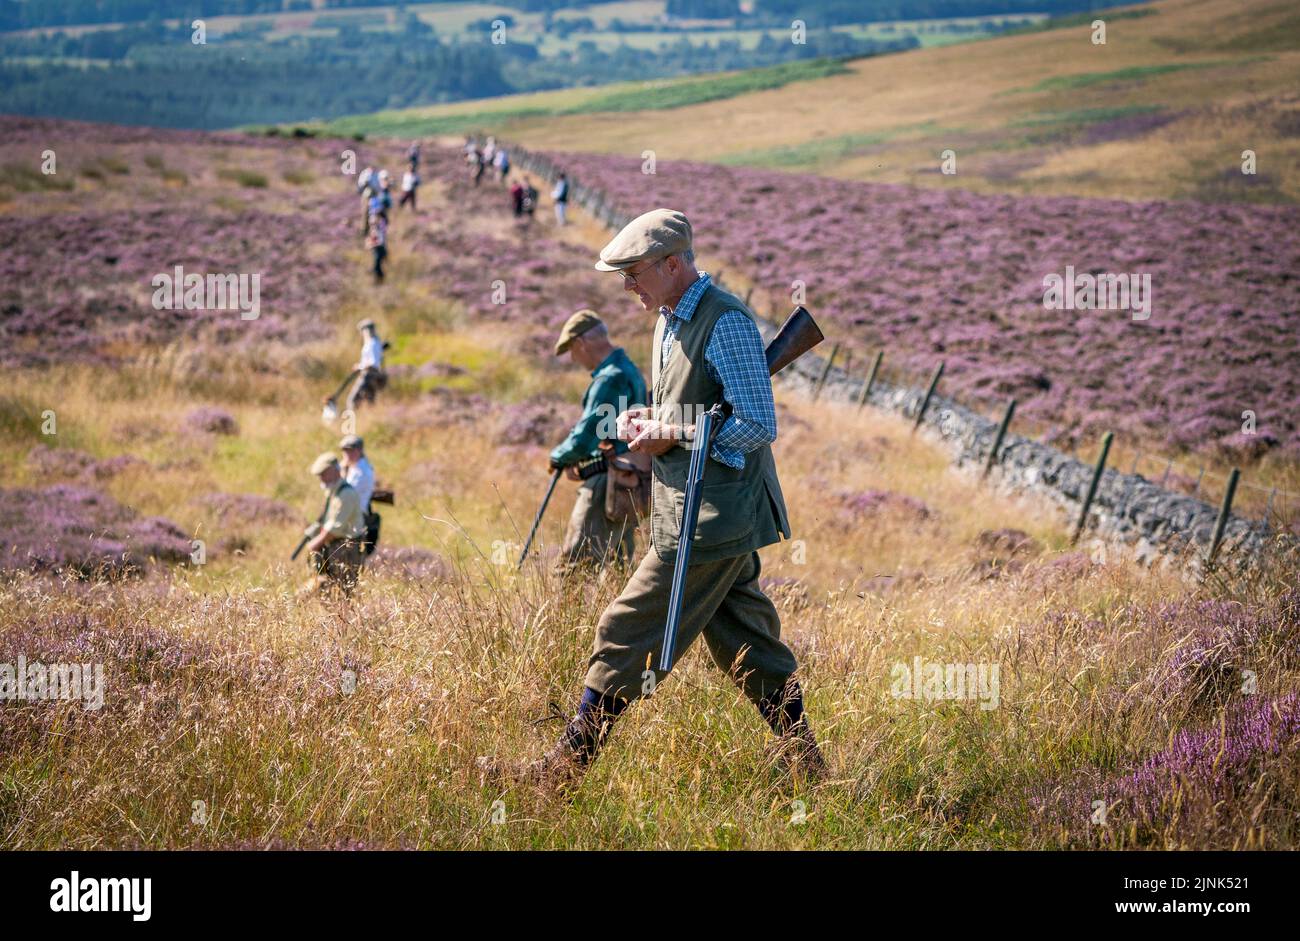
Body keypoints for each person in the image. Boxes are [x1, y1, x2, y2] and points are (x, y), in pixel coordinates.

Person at [479, 209, 824, 791]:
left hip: (710, 518)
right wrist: (654, 418)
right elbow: (692, 407)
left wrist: (677, 431)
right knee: (752, 647)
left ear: (673, 263)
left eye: (633, 272)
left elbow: (758, 424)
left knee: (623, 629)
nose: (626, 286)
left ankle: (562, 773)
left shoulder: (727, 324)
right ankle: (810, 770)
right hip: (682, 504)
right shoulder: (667, 321)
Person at [548, 310, 648, 570]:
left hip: (607, 479)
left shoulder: (610, 378)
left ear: (581, 343)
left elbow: (587, 436)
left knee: (575, 564)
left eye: (572, 349)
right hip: (629, 478)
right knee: (618, 562)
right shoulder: (628, 369)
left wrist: (559, 456)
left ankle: (569, 612)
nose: (573, 357)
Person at [301, 452, 366, 596]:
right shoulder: (335, 491)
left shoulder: (346, 494)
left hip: (346, 549)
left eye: (324, 473)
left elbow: (334, 529)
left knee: (343, 593)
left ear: (334, 471)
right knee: (330, 591)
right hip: (336, 547)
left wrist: (315, 543)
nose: (321, 478)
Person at [340, 434, 380, 557]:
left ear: (359, 450)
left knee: (348, 558)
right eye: (345, 450)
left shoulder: (361, 472)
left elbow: (345, 494)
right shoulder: (355, 467)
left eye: (351, 450)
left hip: (355, 519)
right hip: (351, 516)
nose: (347, 454)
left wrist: (341, 470)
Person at [347, 319, 387, 410]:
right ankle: (370, 421)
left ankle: (351, 421)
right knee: (370, 401)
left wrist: (359, 366)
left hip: (369, 374)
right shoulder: (374, 342)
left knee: (353, 400)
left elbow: (373, 362)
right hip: (372, 374)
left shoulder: (372, 343)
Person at [364, 204, 387, 283]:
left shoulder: (380, 227)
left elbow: (380, 241)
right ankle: (379, 279)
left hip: (379, 249)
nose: (371, 222)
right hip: (377, 248)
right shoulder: (376, 227)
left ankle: (379, 280)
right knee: (377, 265)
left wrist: (371, 245)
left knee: (377, 265)